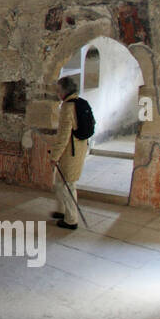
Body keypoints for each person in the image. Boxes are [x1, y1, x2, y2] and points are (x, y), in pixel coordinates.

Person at [47, 76, 90, 230]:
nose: (57, 93)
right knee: (60, 182)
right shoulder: (79, 102)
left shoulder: (68, 107)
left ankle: (71, 220)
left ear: (64, 90)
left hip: (70, 152)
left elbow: (64, 135)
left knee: (67, 185)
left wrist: (55, 156)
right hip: (78, 148)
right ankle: (62, 210)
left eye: (58, 90)